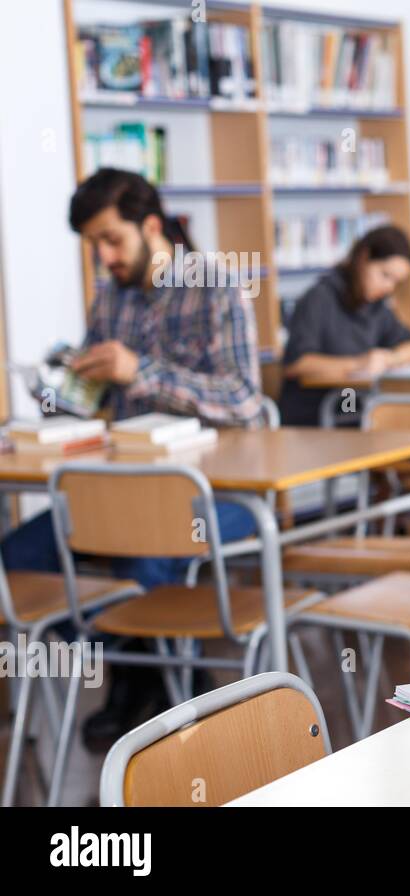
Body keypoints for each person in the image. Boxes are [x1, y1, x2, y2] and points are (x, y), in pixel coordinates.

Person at [0, 168, 263, 744]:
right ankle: (155, 667)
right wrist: (61, 394)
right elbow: (98, 402)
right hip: (122, 492)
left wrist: (139, 372)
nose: (103, 257)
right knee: (16, 556)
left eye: (111, 240)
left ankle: (141, 686)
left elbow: (243, 401)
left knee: (142, 557)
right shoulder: (111, 299)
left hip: (217, 494)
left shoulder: (216, 285)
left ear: (150, 226)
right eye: (93, 244)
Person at [278, 225, 410, 425]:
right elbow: (296, 365)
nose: (389, 287)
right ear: (363, 258)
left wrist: (389, 358)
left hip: (354, 409)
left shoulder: (376, 306)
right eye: (385, 275)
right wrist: (359, 364)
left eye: (396, 282)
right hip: (315, 417)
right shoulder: (319, 299)